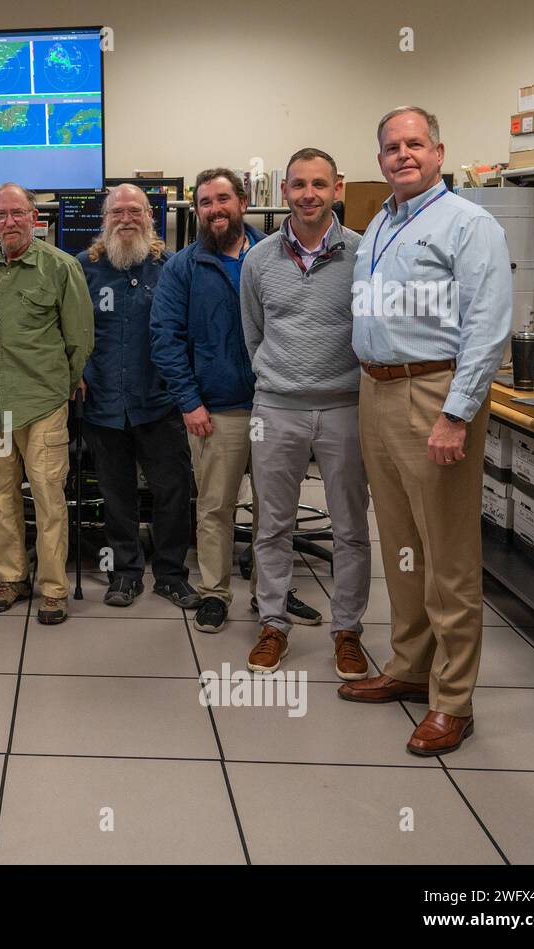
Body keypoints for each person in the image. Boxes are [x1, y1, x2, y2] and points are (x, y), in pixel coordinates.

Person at [339, 107, 511, 756]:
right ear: (379, 159)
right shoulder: (381, 222)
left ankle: (453, 701)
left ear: (439, 152)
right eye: (390, 147)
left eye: (414, 145)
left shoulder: (469, 225)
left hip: (433, 393)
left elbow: (487, 327)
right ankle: (410, 668)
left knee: (448, 558)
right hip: (376, 391)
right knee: (403, 547)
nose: (402, 155)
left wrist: (456, 413)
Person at [151, 168, 321, 634]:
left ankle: (272, 594)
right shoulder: (183, 266)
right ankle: (214, 592)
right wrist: (189, 401)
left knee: (276, 509)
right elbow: (165, 338)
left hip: (278, 403)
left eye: (222, 199)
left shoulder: (277, 254)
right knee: (214, 507)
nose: (214, 209)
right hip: (214, 409)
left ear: (242, 202)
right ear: (197, 210)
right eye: (205, 202)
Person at [240, 148, 371, 677]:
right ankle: (273, 623)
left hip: (345, 407)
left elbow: (372, 331)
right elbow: (253, 333)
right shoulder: (259, 259)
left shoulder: (364, 254)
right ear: (285, 192)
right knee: (271, 526)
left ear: (336, 187)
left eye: (319, 184)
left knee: (351, 528)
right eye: (298, 185)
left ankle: (347, 629)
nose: (308, 194)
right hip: (275, 408)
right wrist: (280, 380)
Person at [0, 182, 93, 624]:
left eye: (18, 213)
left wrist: (63, 385)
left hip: (43, 401)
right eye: (1, 215)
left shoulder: (60, 267)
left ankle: (54, 587)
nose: (9, 222)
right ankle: (11, 578)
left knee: (47, 495)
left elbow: (80, 339)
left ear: (34, 218)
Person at [78, 184, 198, 610]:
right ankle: (125, 573)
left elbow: (189, 333)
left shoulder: (172, 268)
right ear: (104, 219)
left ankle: (170, 574)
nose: (126, 218)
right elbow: (67, 332)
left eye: (135, 211)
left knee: (171, 492)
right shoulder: (82, 270)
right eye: (117, 212)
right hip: (104, 404)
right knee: (117, 495)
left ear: (150, 217)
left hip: (160, 402)